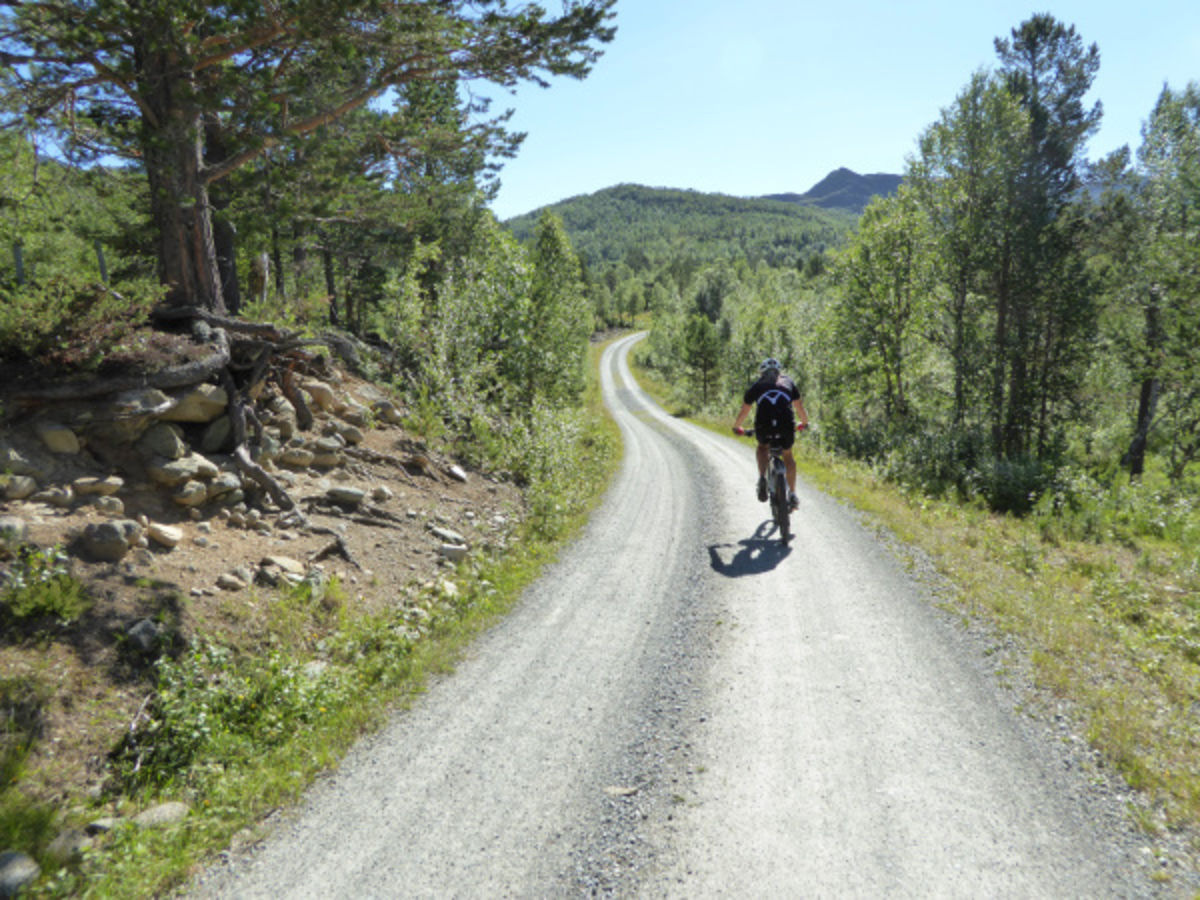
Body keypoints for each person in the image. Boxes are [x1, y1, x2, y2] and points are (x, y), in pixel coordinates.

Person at [731, 357, 809, 510]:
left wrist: (737, 427)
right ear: (778, 372)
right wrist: (804, 423)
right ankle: (792, 493)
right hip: (786, 425)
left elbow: (744, 412)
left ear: (762, 373)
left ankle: (761, 478)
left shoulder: (757, 386)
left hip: (763, 425)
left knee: (762, 447)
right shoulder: (788, 382)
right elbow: (799, 407)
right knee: (788, 455)